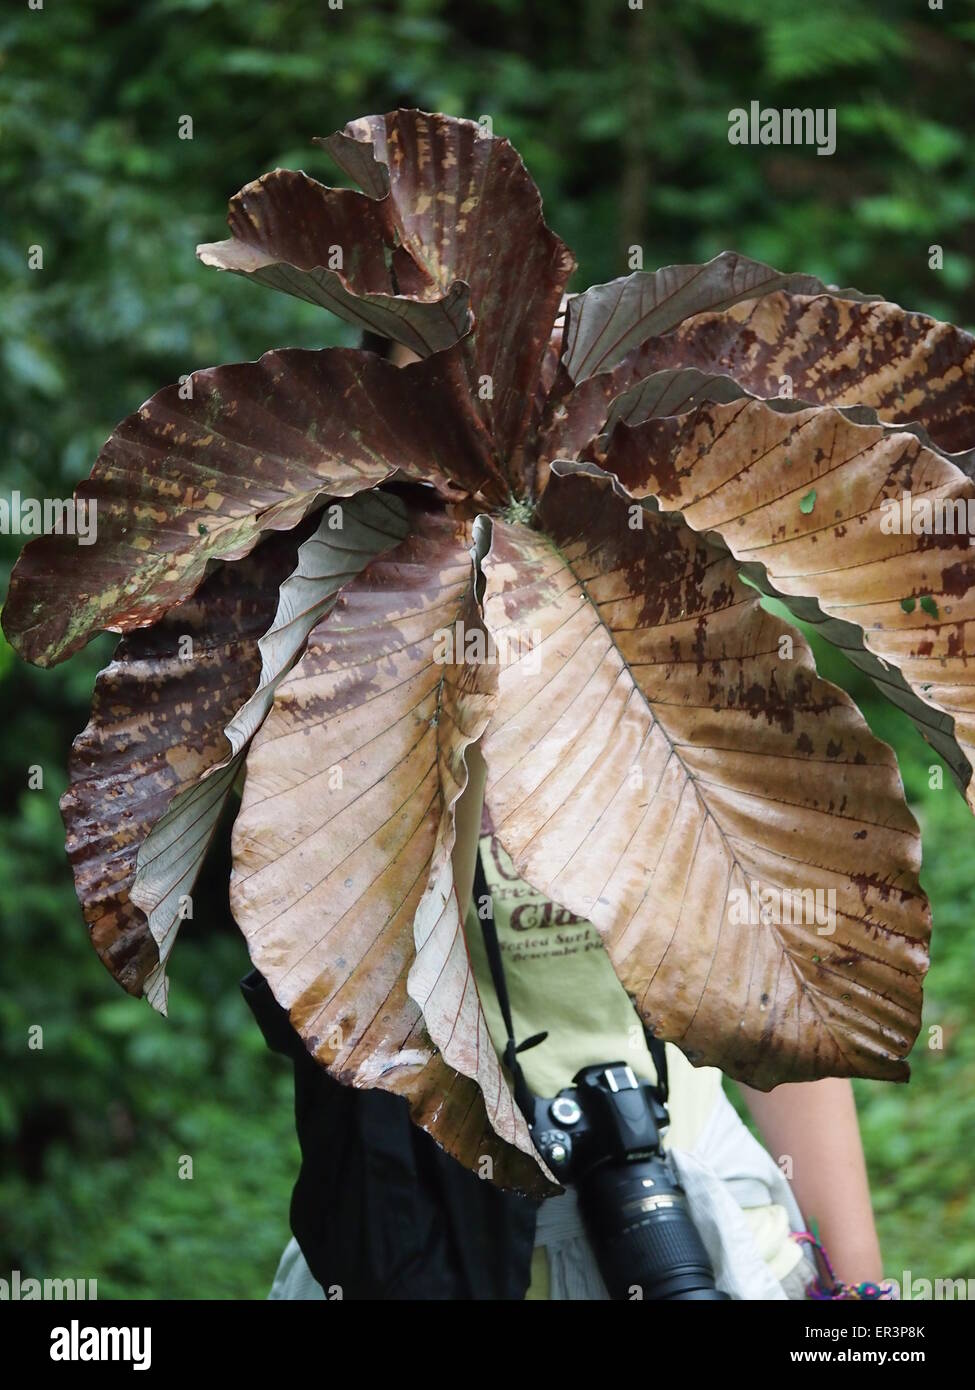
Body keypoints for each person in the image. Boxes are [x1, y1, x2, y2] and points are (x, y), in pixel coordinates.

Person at [245, 741, 889, 1301]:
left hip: (703, 1218)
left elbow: (768, 988)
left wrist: (859, 1292)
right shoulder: (332, 652)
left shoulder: (662, 641)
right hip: (423, 1233)